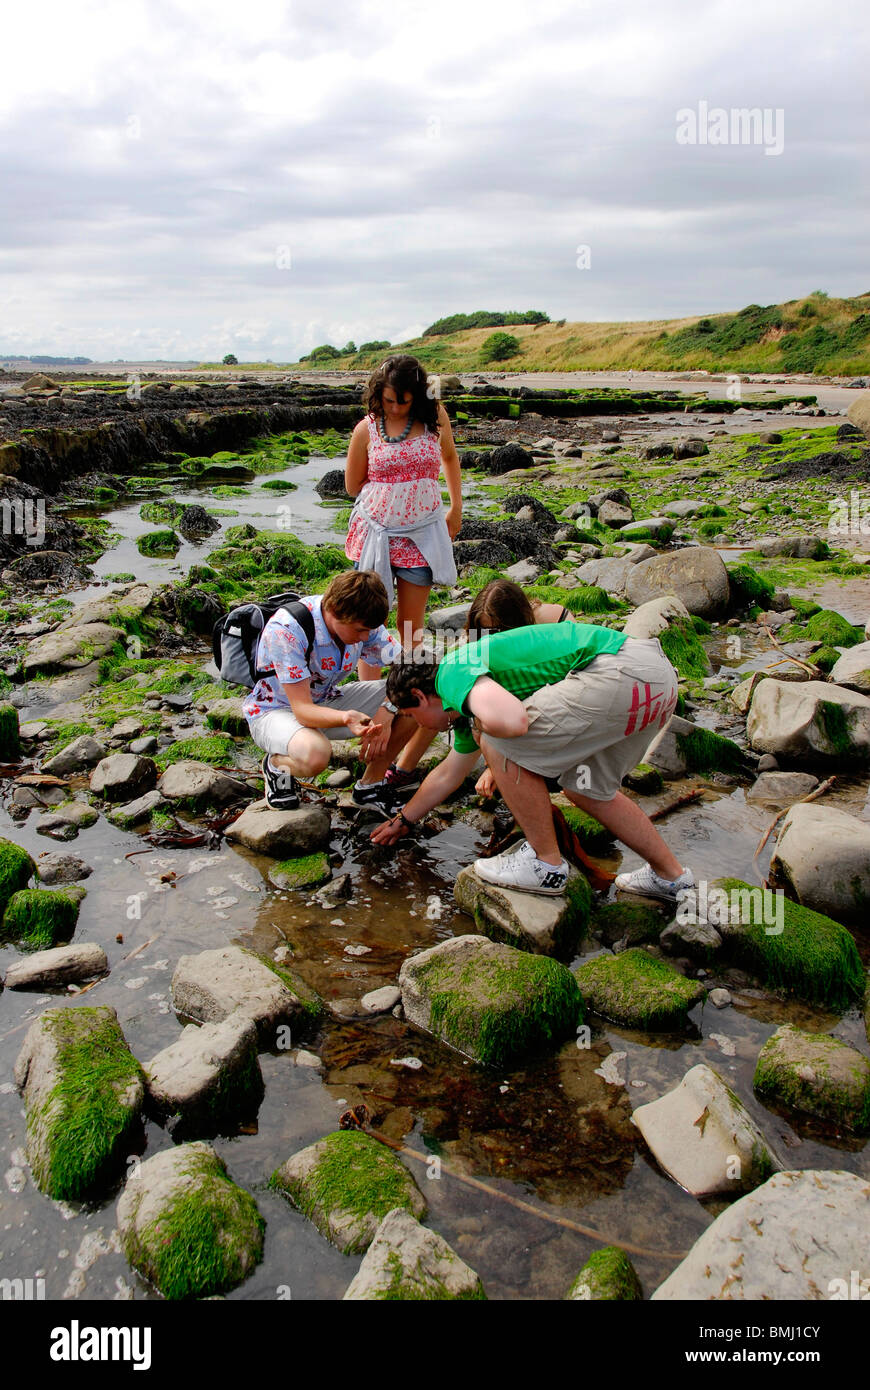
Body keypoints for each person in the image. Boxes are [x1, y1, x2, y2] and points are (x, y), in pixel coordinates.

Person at [370, 622, 695, 902]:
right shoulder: (466, 704)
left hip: (617, 670)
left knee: (496, 739)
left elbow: (512, 723)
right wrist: (404, 820)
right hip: (656, 680)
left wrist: (486, 735)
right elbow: (449, 774)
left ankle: (546, 865)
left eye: (414, 715)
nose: (423, 726)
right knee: (588, 790)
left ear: (421, 695)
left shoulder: (452, 672)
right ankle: (670, 877)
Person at [344, 354, 462, 796]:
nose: (395, 408)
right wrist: (391, 485)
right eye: (389, 400)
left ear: (420, 396)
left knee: (409, 627)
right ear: (379, 394)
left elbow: (450, 459)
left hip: (421, 533)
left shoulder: (434, 419)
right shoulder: (366, 428)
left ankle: (407, 699)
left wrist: (455, 507)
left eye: (404, 401)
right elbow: (353, 486)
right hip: (375, 531)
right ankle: (369, 703)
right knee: (369, 623)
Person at [242, 569, 415, 815]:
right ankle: (278, 765)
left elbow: (412, 666)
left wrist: (387, 709)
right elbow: (302, 711)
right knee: (316, 755)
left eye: (370, 630)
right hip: (276, 711)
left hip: (326, 699)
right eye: (360, 630)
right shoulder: (287, 629)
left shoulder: (362, 621)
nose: (366, 637)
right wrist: (346, 718)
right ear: (333, 611)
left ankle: (370, 786)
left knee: (418, 695)